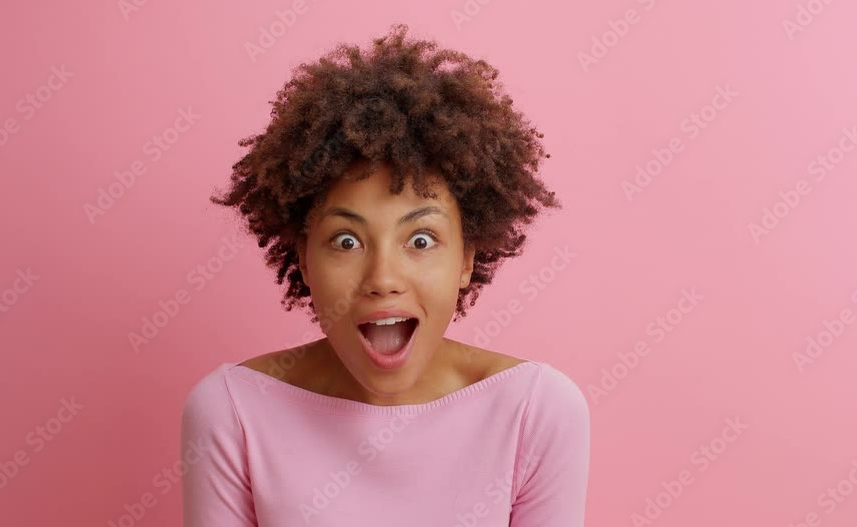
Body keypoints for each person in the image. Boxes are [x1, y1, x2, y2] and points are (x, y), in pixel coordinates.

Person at [181, 23, 590, 526]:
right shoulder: (233, 412)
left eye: (420, 240)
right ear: (305, 259)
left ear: (466, 259)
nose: (383, 277)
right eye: (346, 241)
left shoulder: (536, 412)